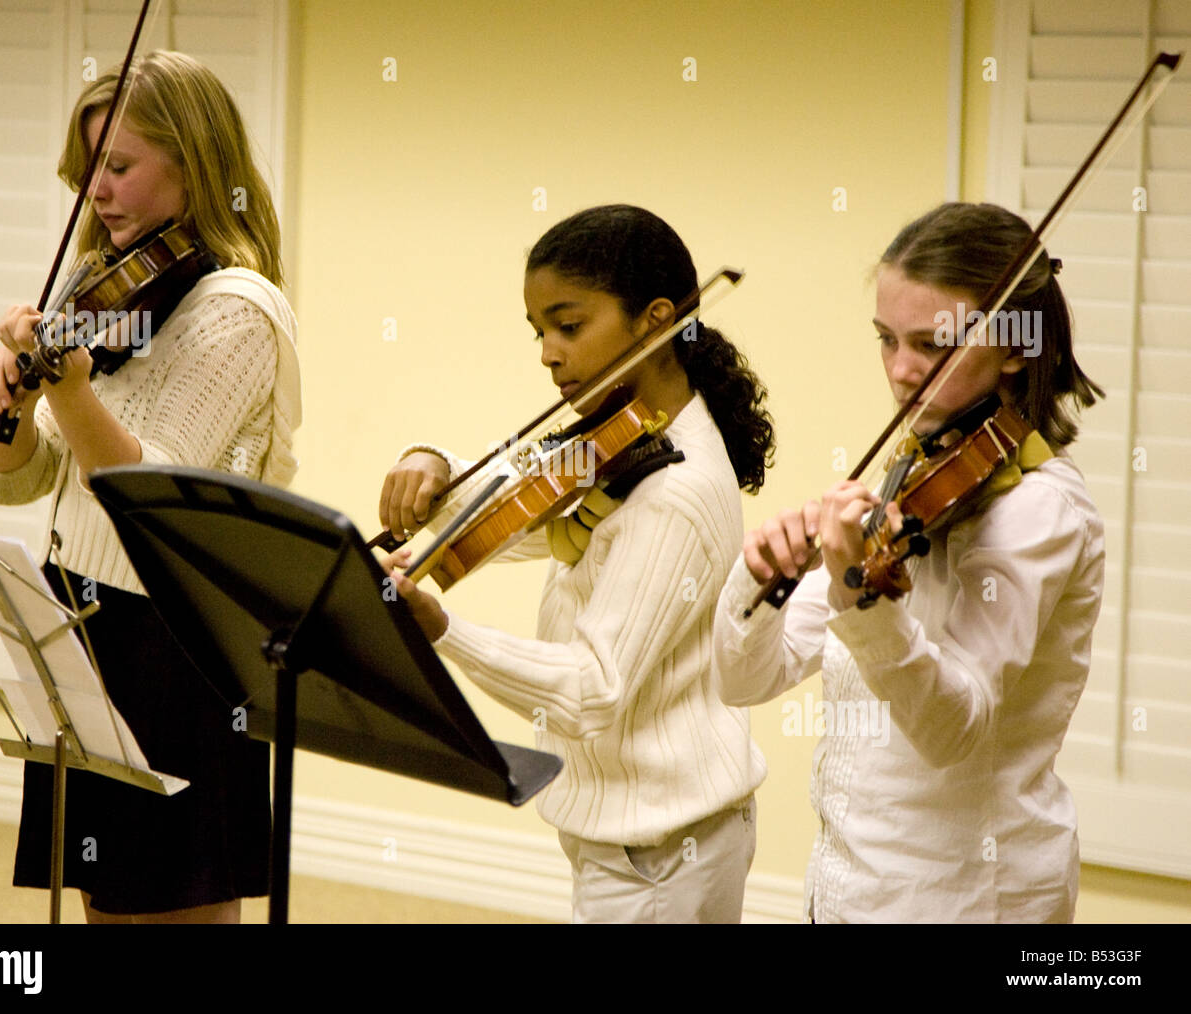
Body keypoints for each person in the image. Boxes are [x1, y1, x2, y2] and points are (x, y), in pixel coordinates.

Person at [0, 50, 301, 923]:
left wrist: (68, 387)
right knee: (107, 898)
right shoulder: (105, 293)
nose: (97, 195)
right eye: (87, 175)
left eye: (118, 167)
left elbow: (142, 494)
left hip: (177, 637)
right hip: (85, 616)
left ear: (194, 161)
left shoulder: (237, 309)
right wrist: (8, 418)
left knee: (172, 905)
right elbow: (33, 480)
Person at [712, 202, 1105, 923]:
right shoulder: (910, 477)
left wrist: (864, 603)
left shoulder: (1039, 514)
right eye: (887, 340)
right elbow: (744, 676)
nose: (901, 371)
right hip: (853, 883)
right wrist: (760, 575)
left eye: (933, 345)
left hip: (968, 898)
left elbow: (953, 728)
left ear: (1016, 346)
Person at [381, 205, 774, 923]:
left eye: (569, 326)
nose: (547, 353)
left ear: (656, 320)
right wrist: (435, 463)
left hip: (663, 849)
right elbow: (520, 511)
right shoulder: (619, 438)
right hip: (627, 833)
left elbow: (594, 690)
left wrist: (443, 630)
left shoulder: (674, 494)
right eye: (539, 332)